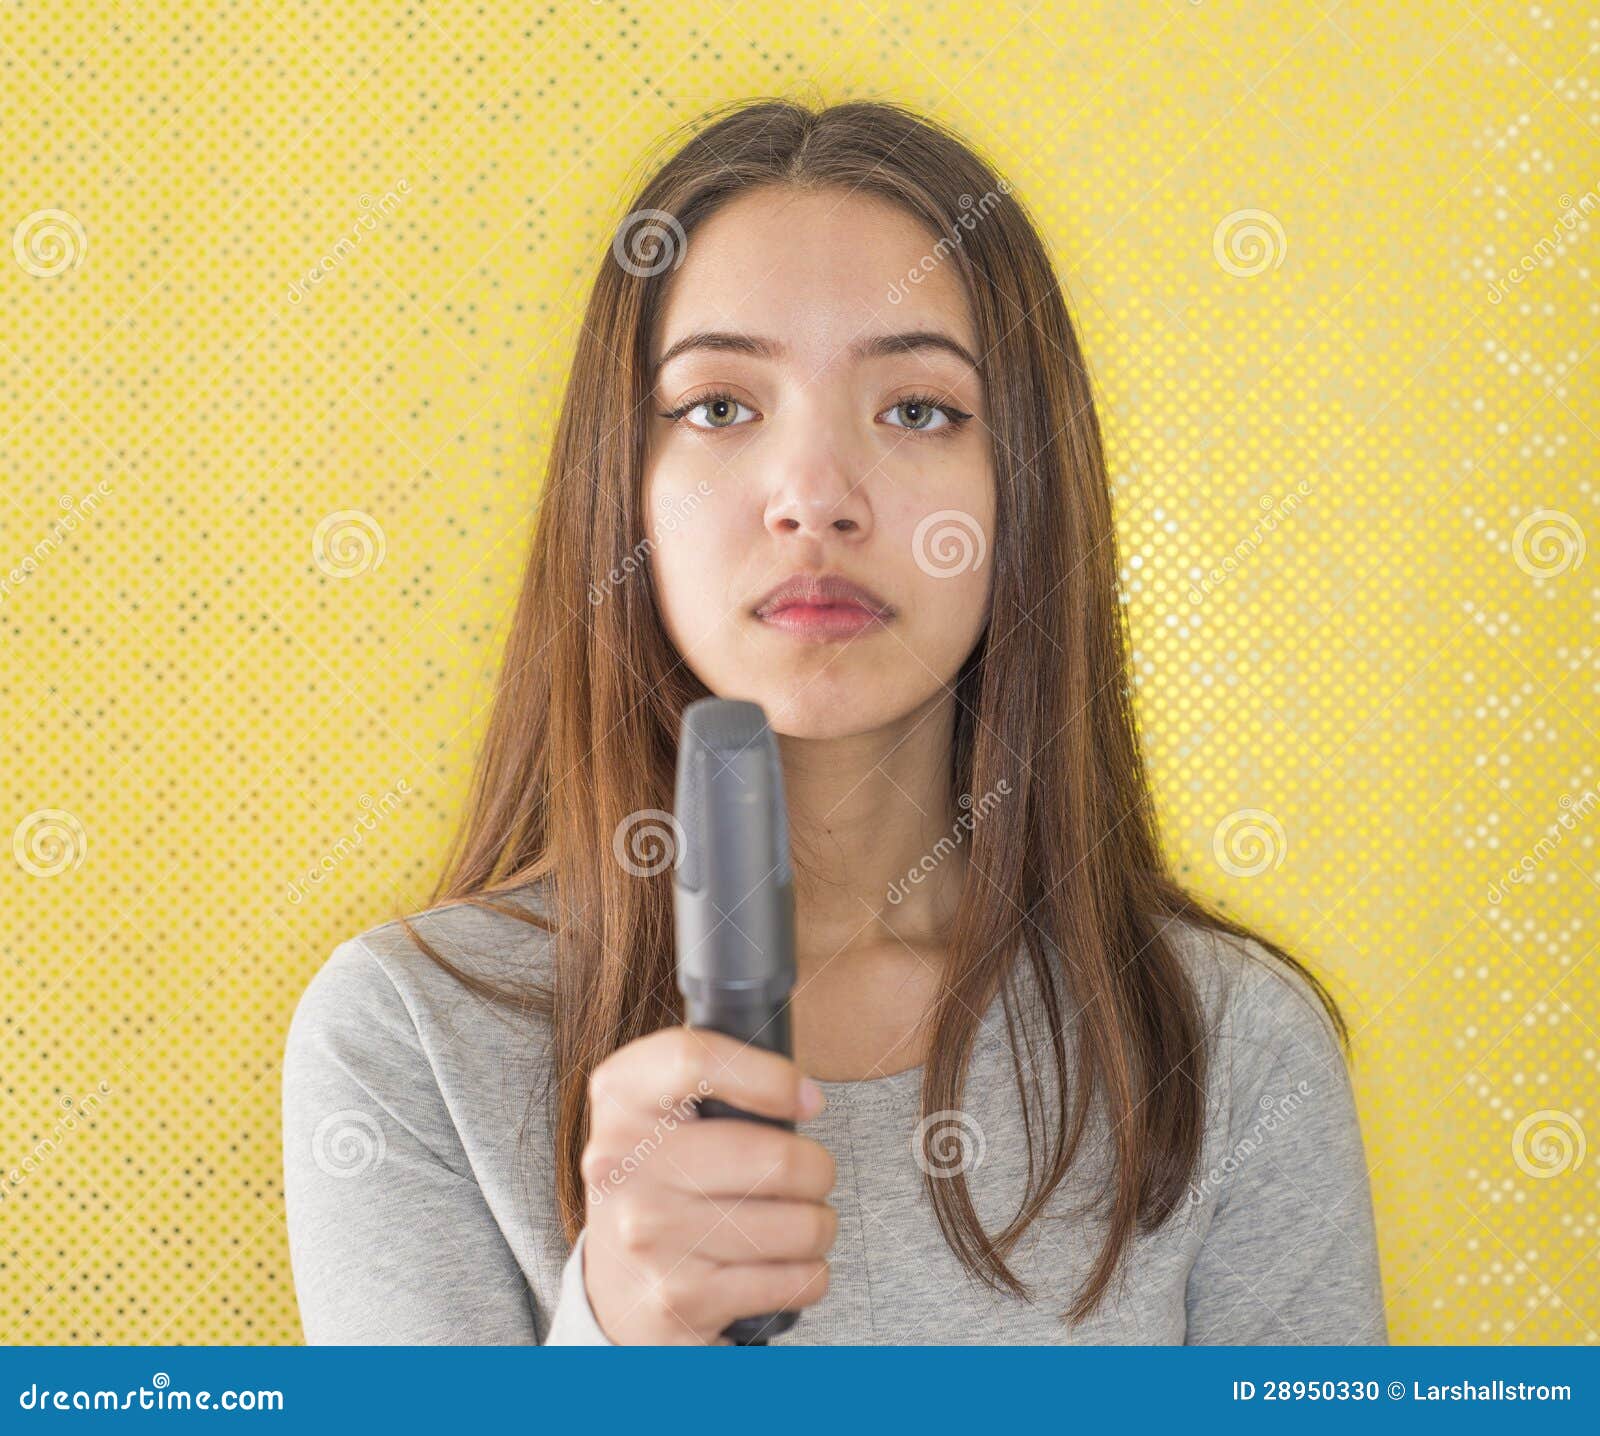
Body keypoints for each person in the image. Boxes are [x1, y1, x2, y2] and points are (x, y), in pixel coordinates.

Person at [281, 97, 1388, 1346]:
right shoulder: (408, 1038)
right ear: (622, 491)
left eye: (916, 409)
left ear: (1024, 489)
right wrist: (612, 1342)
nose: (814, 498)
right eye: (718, 406)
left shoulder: (1229, 1047)